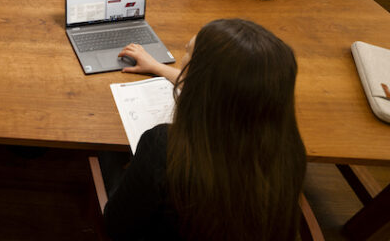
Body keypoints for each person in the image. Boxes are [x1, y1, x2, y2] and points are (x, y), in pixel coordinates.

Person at [104, 19, 306, 241]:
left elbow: (115, 226)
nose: (183, 63)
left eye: (189, 54)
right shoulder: (290, 152)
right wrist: (158, 67)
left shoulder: (165, 147)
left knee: (107, 150)